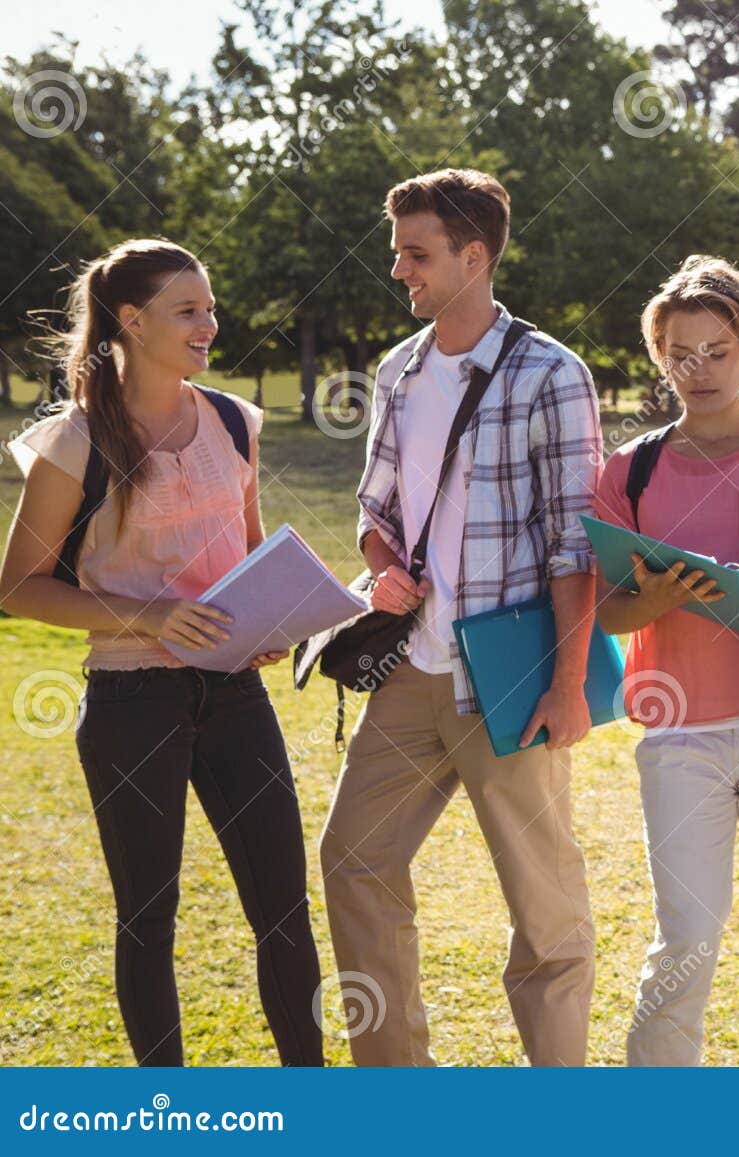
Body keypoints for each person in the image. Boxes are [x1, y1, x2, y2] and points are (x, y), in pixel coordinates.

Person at [0, 239, 323, 1066]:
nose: (209, 324)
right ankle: (166, 1107)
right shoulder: (73, 442)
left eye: (210, 308)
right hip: (130, 701)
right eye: (189, 311)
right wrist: (151, 616)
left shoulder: (232, 421)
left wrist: (270, 620)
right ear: (133, 322)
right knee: (149, 917)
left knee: (284, 908)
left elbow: (250, 556)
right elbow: (20, 586)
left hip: (233, 697)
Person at [318, 169, 602, 1066]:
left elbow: (575, 544)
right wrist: (381, 566)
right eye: (398, 250)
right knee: (353, 858)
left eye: (417, 253)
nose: (399, 269)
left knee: (543, 905)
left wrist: (566, 683)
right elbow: (375, 508)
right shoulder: (398, 371)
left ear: (473, 256)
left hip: (508, 676)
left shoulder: (553, 374)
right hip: (410, 669)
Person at [594, 255, 739, 1066]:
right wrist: (660, 598)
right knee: (686, 943)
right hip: (677, 732)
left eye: (716, 352)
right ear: (661, 357)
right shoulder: (629, 470)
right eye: (680, 353)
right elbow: (605, 605)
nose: (697, 370)